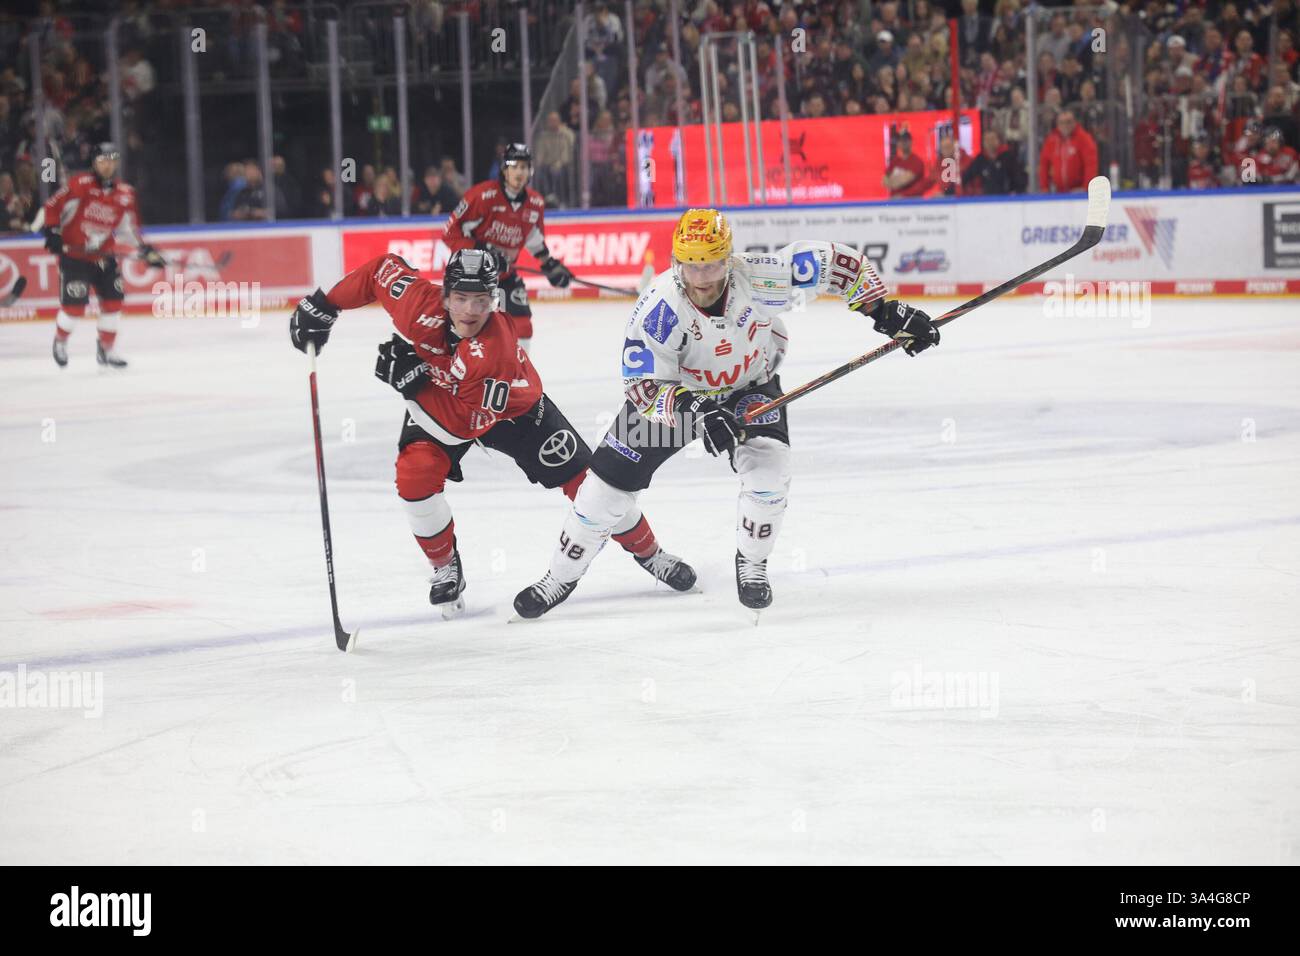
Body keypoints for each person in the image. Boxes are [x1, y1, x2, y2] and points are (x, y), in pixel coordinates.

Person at [512, 209, 940, 619]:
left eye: (713, 265)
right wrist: (696, 408)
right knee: (601, 491)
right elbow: (641, 386)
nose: (702, 278)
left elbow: (834, 263)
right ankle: (559, 578)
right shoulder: (659, 309)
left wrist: (884, 312)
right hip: (677, 398)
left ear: (728, 258)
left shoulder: (758, 276)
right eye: (691, 266)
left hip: (748, 387)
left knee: (770, 474)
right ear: (675, 261)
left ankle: (751, 562)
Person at [288, 249, 694, 617]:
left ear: (494, 301)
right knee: (414, 477)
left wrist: (415, 384)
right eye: (461, 298)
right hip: (443, 402)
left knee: (589, 487)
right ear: (443, 296)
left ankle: (650, 553)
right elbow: (379, 270)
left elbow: (470, 420)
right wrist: (323, 305)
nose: (470, 310)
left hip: (515, 413)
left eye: (481, 300)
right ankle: (445, 567)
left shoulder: (494, 347)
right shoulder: (416, 305)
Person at [42, 141, 166, 368]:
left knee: (113, 303)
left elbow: (129, 230)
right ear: (94, 163)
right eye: (102, 161)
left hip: (104, 257)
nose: (107, 166)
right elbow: (52, 206)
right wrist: (52, 232)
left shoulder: (125, 194)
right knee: (74, 308)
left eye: (112, 161)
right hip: (76, 257)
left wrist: (145, 250)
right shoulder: (80, 185)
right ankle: (60, 341)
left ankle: (106, 349)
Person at [441, 142, 574, 352]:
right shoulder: (482, 196)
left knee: (522, 325)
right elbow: (450, 233)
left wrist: (549, 264)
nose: (519, 172)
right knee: (465, 328)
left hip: (505, 274)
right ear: (505, 170)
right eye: (515, 166)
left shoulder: (535, 203)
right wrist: (482, 252)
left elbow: (533, 238)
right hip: (472, 277)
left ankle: (518, 380)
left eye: (524, 167)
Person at [1038, 110, 1097, 193]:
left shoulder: (1084, 139)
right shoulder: (1051, 140)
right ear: (1057, 125)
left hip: (1079, 191)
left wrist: (1086, 187)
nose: (1065, 125)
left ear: (1074, 122)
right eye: (1061, 122)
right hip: (1058, 192)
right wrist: (1044, 187)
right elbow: (1044, 165)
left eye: (1068, 122)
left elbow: (1090, 165)